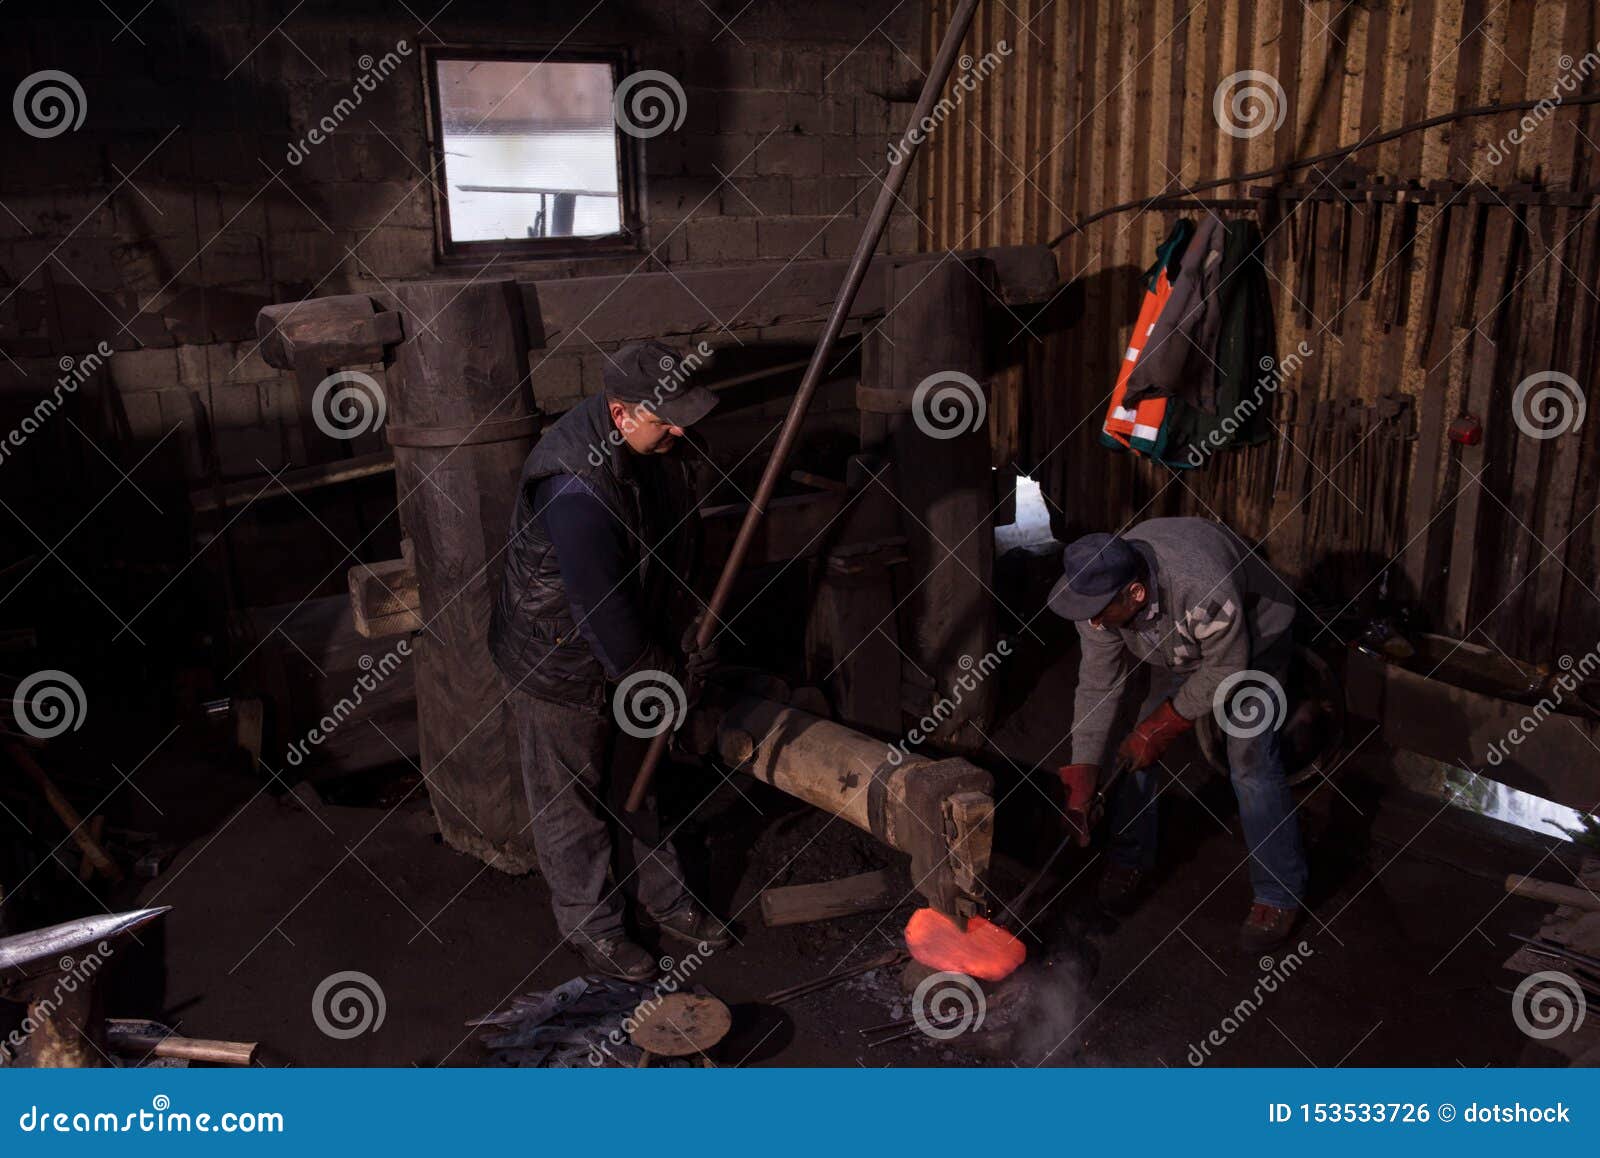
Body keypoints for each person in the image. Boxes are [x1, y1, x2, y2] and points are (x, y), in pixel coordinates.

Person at [488, 340, 731, 981]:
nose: (680, 426)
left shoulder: (657, 449)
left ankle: (668, 901)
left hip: (627, 641)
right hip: (558, 663)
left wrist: (681, 640)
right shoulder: (576, 485)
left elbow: (672, 548)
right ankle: (592, 927)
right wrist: (662, 681)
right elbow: (603, 612)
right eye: (666, 416)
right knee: (571, 808)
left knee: (642, 781)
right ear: (620, 413)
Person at [1047, 517, 1307, 952]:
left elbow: (1226, 669)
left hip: (1254, 635)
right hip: (1177, 640)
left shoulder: (1201, 586)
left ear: (1135, 592)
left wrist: (1165, 725)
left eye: (1098, 614)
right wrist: (1083, 773)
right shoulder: (1095, 597)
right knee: (1135, 748)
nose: (1090, 624)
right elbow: (1098, 685)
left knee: (1249, 760)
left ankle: (1278, 893)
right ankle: (1130, 857)